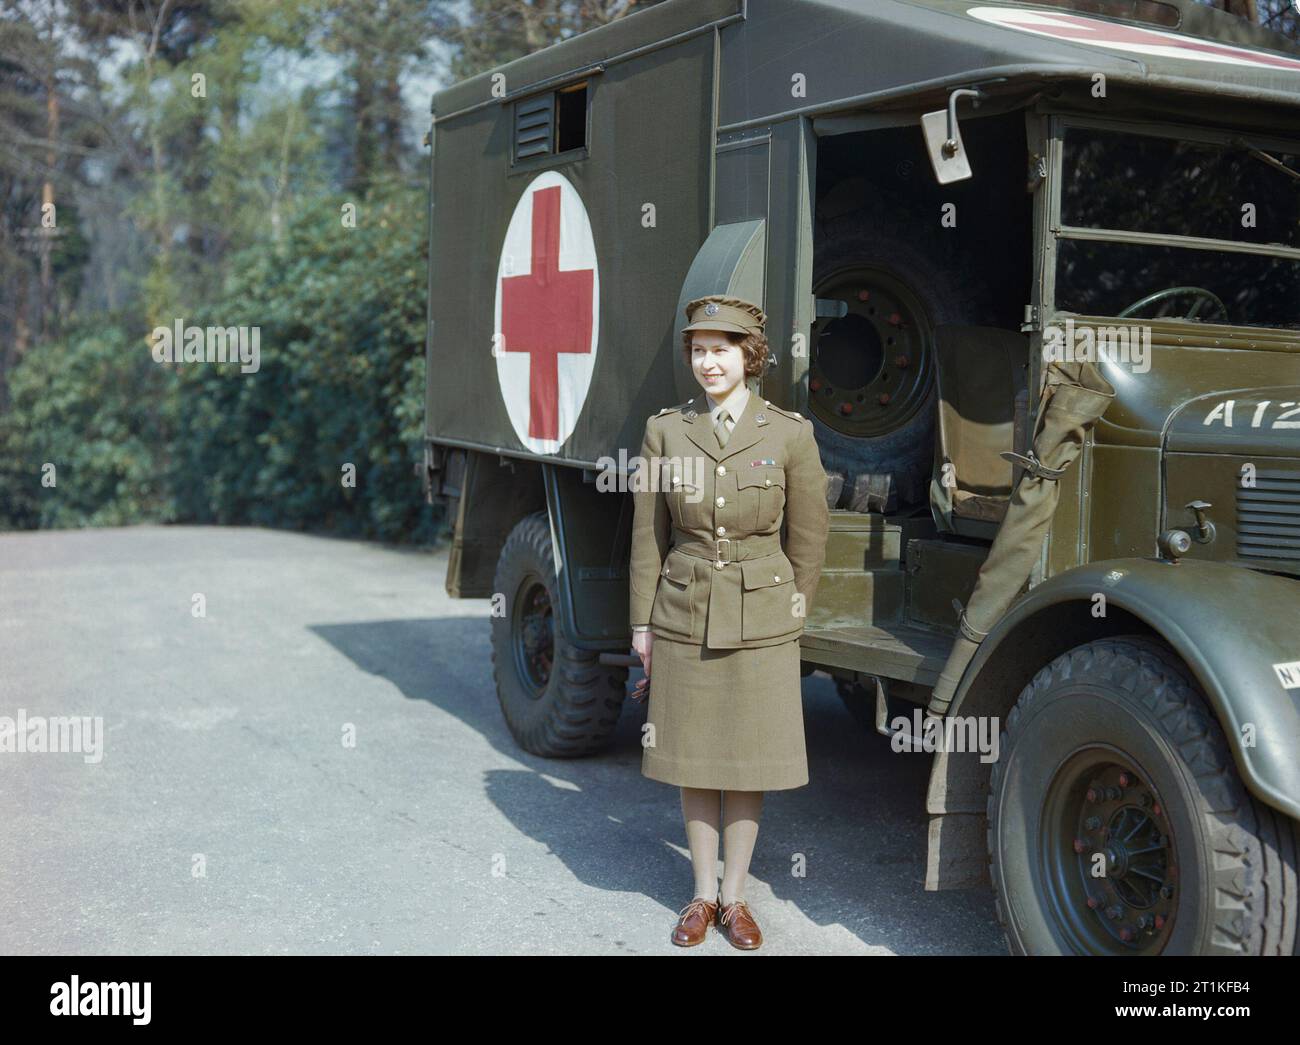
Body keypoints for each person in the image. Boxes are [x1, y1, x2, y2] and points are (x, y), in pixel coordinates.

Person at [628, 293, 830, 949]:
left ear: (749, 356)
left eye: (721, 349)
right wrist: (642, 624)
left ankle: (737, 898)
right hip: (685, 605)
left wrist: (795, 602)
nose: (707, 362)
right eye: (698, 349)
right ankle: (702, 893)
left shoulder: (789, 433)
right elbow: (646, 536)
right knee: (695, 754)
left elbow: (810, 534)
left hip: (761, 609)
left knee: (747, 759)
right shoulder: (666, 429)